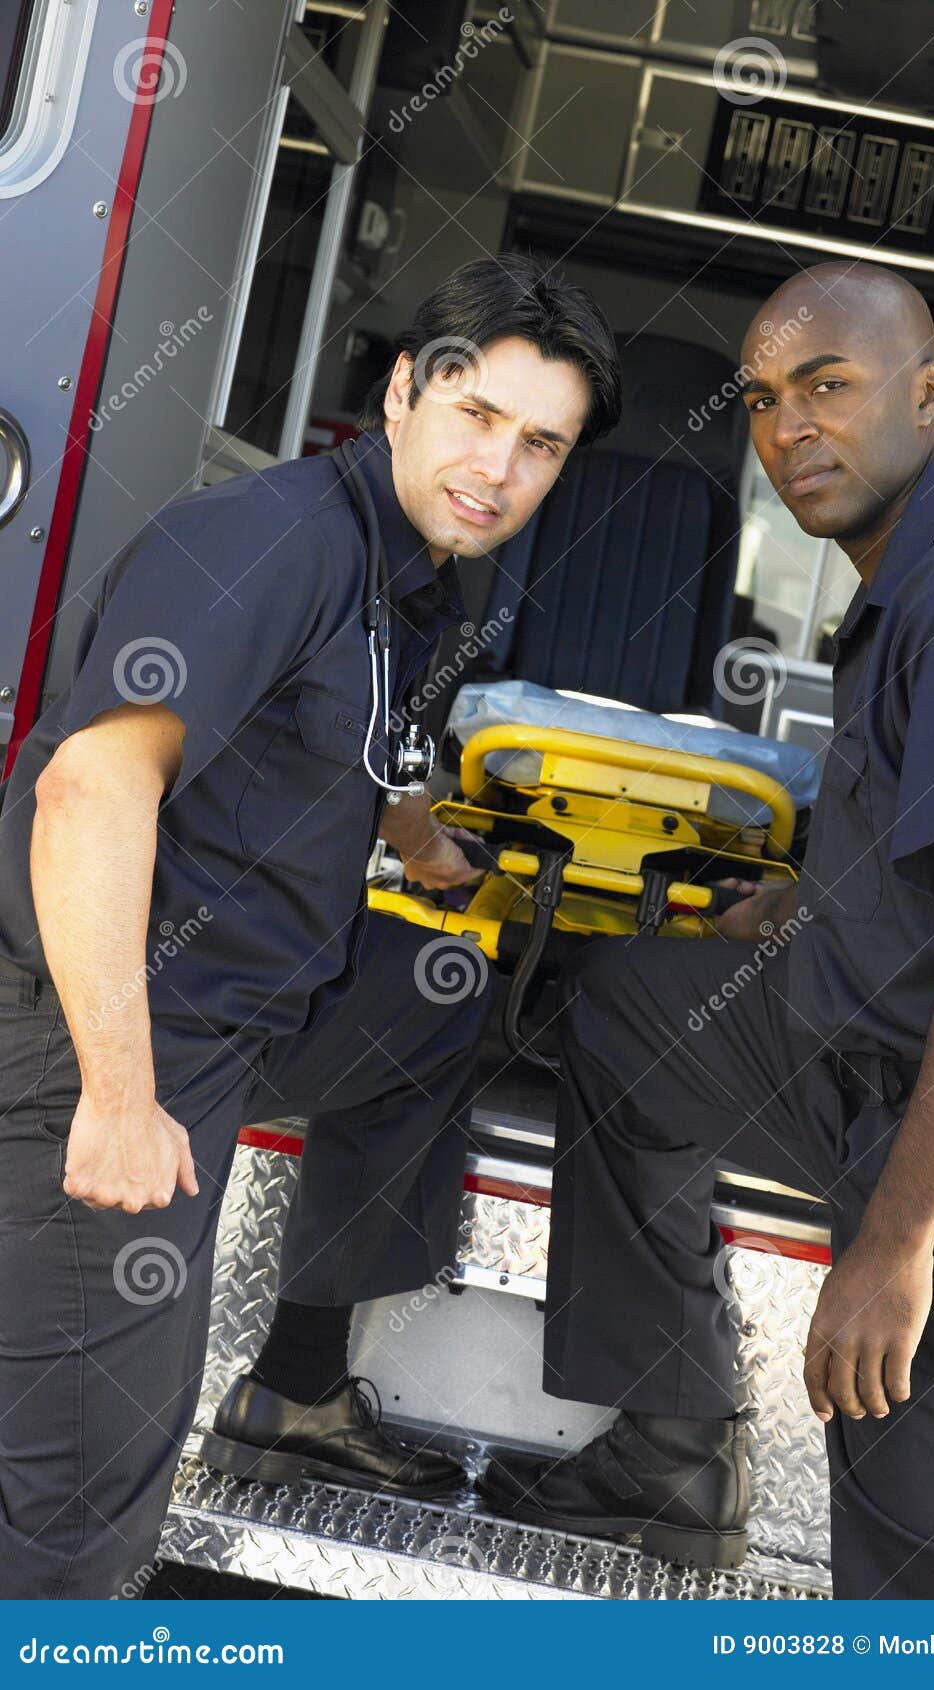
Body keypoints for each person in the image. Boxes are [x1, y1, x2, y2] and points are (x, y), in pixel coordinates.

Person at [478, 261, 934, 1597]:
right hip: (870, 1062)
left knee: (919, 1605)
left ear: (930, 396)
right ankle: (670, 1439)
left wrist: (890, 1247)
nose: (785, 426)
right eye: (760, 399)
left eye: (827, 385)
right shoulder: (924, 567)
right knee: (635, 1005)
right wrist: (818, 904)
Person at [0, 253, 621, 1598]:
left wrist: (429, 851)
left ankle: (296, 1371)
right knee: (81, 1499)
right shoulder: (270, 545)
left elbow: (364, 749)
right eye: (475, 415)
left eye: (540, 446)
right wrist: (116, 1090)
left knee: (448, 985)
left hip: (256, 1013)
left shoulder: (407, 576)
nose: (497, 468)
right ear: (404, 390)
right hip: (106, 1031)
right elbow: (89, 785)